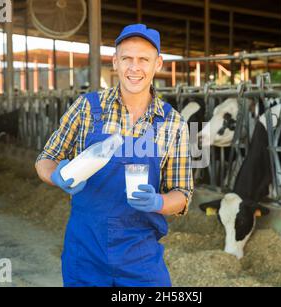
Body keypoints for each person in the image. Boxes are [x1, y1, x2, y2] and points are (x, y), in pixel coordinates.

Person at [35, 24, 193, 287]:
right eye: (127, 58)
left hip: (141, 258)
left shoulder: (173, 123)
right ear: (115, 62)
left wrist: (158, 202)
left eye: (144, 59)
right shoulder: (87, 108)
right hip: (85, 253)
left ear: (158, 64)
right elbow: (45, 159)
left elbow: (183, 193)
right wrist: (57, 176)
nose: (135, 67)